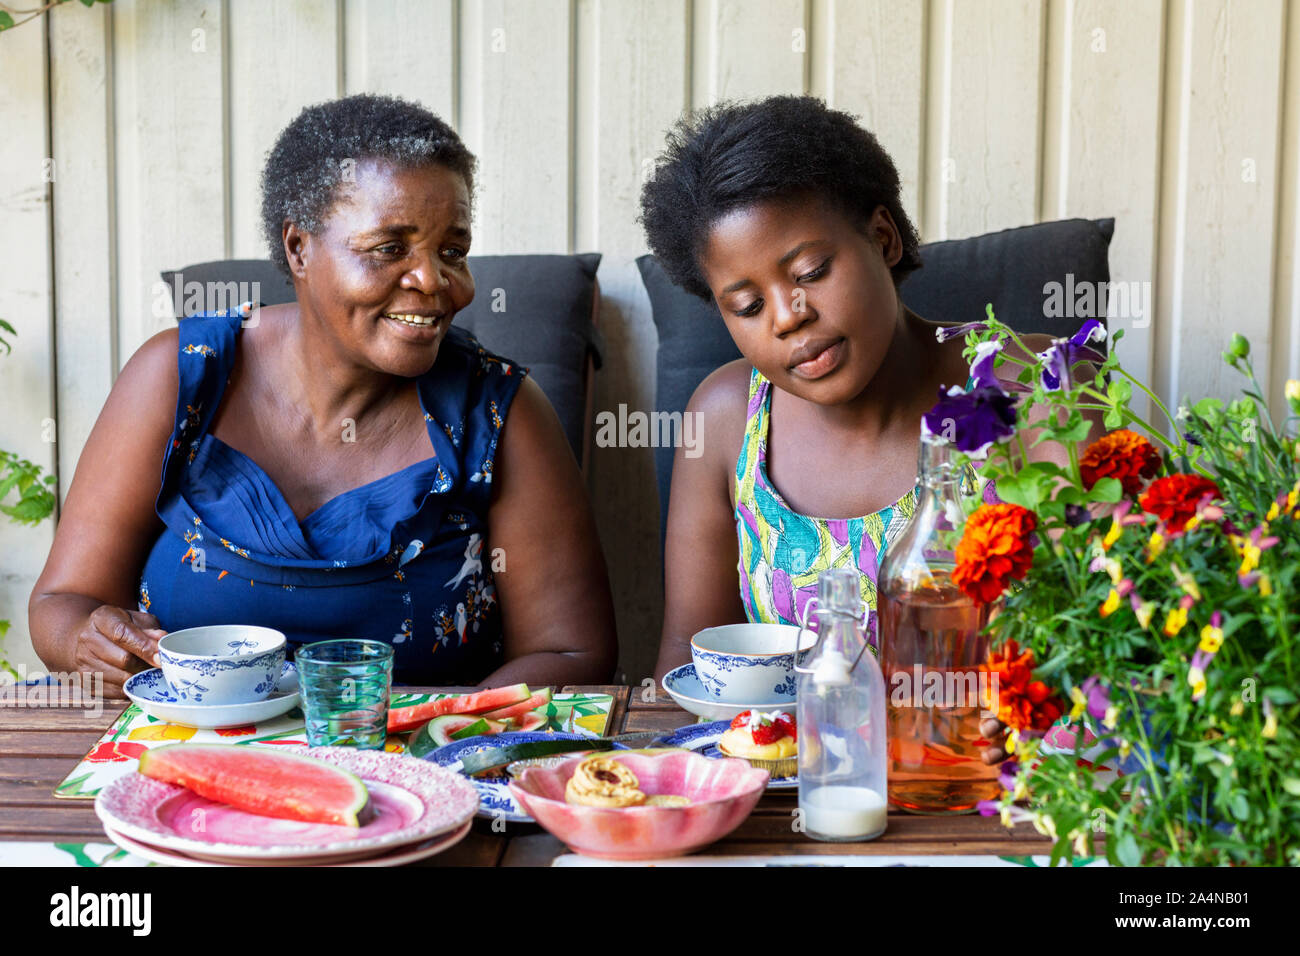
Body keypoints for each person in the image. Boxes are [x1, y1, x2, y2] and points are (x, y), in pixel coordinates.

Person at [29, 94, 617, 695]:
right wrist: (88, 639)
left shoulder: (497, 414)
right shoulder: (178, 379)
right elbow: (63, 601)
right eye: (389, 249)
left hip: (422, 766)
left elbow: (572, 653)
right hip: (196, 755)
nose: (434, 282)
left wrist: (422, 735)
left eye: (452, 252)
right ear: (298, 248)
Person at [642, 97, 1102, 759]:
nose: (786, 317)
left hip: (1002, 796)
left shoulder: (1036, 389)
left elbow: (1117, 640)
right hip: (800, 804)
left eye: (809, 273)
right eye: (746, 305)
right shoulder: (724, 422)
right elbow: (682, 681)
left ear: (882, 237)